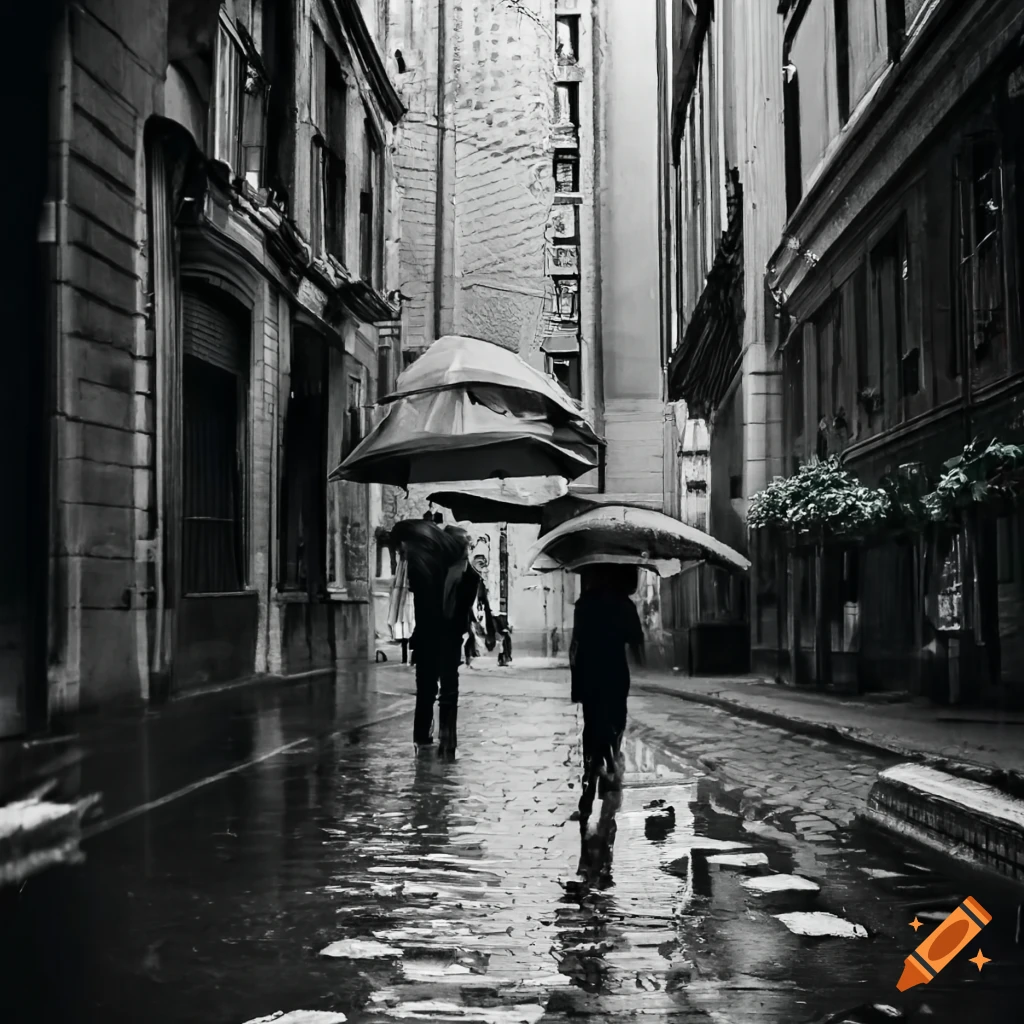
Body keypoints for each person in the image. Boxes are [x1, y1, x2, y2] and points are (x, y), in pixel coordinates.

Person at [393, 520, 493, 756]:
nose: (401, 554)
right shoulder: (453, 570)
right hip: (443, 636)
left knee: (431, 690)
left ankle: (431, 740)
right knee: (442, 690)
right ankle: (441, 741)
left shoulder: (431, 569)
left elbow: (436, 610)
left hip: (437, 636)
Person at [570, 564, 645, 818]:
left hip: (589, 671)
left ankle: (590, 773)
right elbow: (636, 640)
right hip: (614, 670)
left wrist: (576, 681)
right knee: (616, 719)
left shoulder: (584, 604)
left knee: (592, 722)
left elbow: (576, 643)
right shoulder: (624, 604)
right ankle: (609, 762)